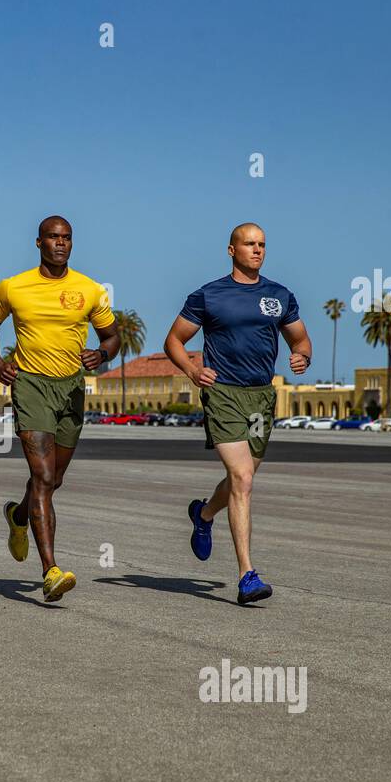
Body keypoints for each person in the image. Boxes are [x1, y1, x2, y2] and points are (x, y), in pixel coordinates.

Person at [164, 222, 313, 605]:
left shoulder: (279, 296)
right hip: (223, 394)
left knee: (237, 482)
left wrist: (303, 356)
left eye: (262, 244)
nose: (257, 250)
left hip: (261, 398)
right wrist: (193, 370)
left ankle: (204, 514)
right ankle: (247, 575)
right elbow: (174, 341)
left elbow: (299, 338)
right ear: (232, 250)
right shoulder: (208, 296)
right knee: (243, 478)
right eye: (249, 244)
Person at [0, 215, 120, 602]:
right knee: (41, 476)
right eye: (53, 237)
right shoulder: (14, 286)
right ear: (38, 243)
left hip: (71, 389)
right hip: (31, 385)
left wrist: (102, 353)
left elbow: (112, 335)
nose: (60, 243)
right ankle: (51, 570)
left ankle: (18, 517)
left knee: (53, 480)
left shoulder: (88, 289)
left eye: (67, 238)